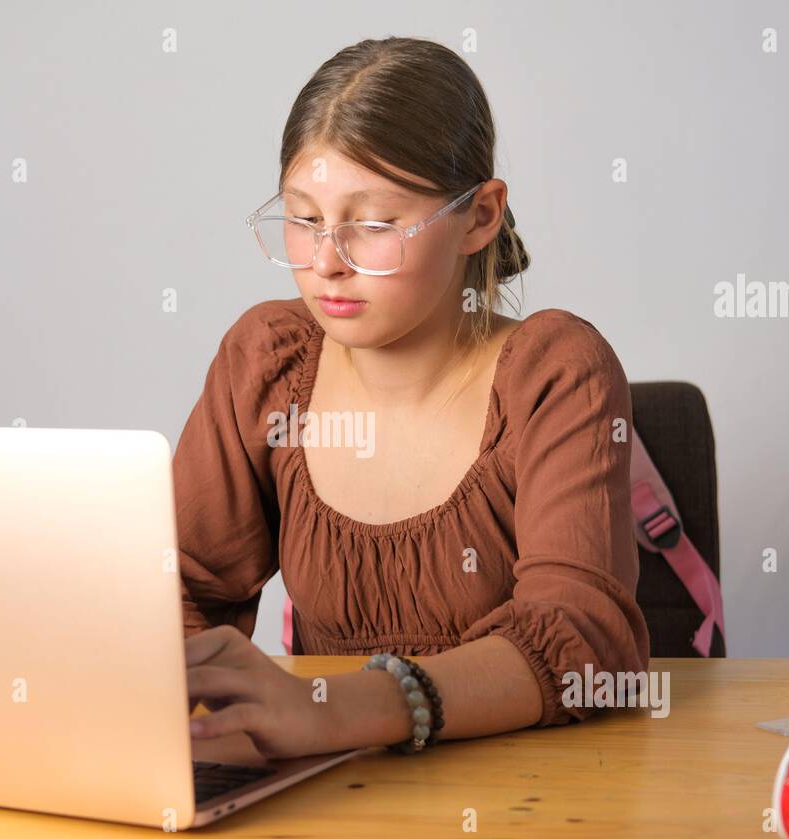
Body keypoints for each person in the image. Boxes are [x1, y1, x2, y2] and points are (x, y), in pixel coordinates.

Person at [176, 36, 650, 759]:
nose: (327, 263)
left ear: (481, 216)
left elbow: (582, 638)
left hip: (530, 796)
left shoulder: (555, 370)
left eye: (373, 225)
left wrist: (333, 712)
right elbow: (181, 587)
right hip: (329, 792)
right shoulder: (266, 360)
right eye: (304, 220)